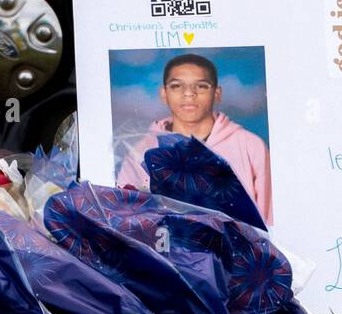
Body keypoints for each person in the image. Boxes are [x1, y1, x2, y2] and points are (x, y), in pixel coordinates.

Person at [116, 54, 273, 225]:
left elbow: (269, 224)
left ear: (217, 93)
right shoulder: (140, 152)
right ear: (164, 93)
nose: (189, 94)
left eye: (201, 86)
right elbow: (128, 221)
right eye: (177, 86)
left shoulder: (250, 146)